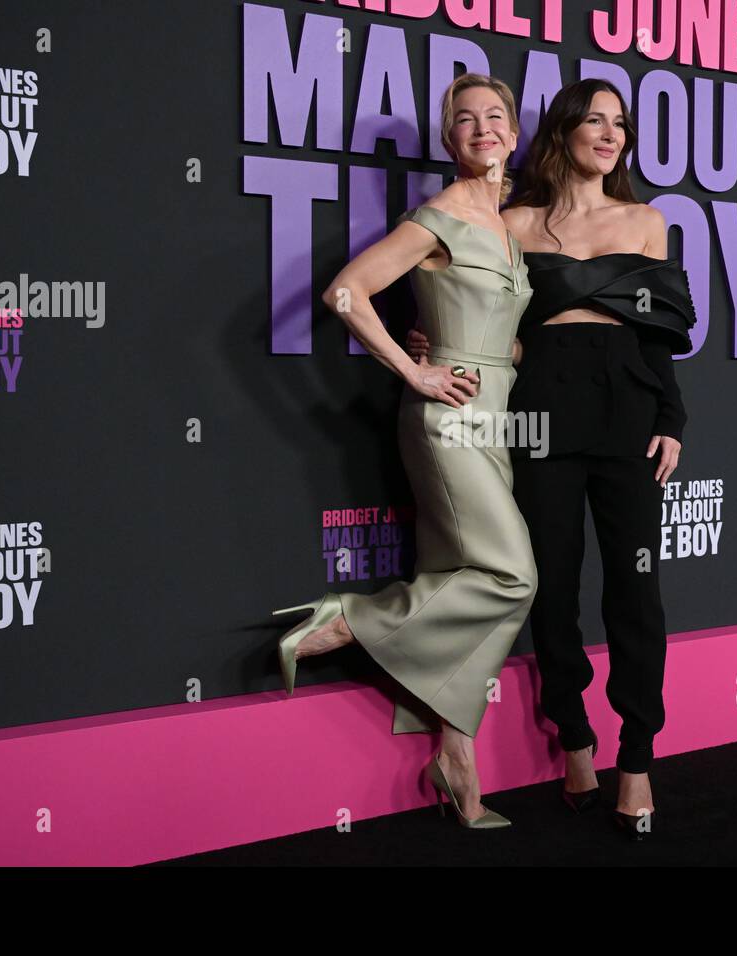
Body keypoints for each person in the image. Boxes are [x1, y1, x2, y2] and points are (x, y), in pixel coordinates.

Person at [408, 79, 695, 840]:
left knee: (637, 596)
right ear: (563, 130)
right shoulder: (515, 222)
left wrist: (672, 418)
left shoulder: (647, 221)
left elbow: (658, 338)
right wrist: (430, 344)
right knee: (552, 588)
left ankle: (636, 758)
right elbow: (477, 307)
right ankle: (574, 739)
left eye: (620, 124)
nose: (610, 134)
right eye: (594, 120)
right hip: (537, 414)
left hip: (628, 416)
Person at [272, 73, 535, 830]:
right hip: (447, 418)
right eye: (464, 120)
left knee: (460, 576)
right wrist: (415, 367)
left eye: (495, 117)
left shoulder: (512, 226)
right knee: (512, 575)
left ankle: (455, 756)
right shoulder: (441, 215)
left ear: (514, 135)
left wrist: (501, 350)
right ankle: (347, 620)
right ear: (450, 141)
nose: (482, 128)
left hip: (497, 417)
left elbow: (497, 324)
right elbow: (347, 293)